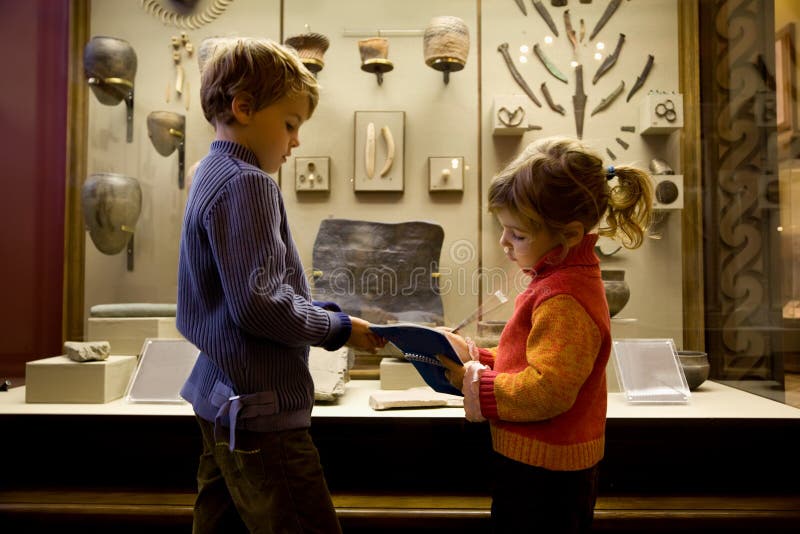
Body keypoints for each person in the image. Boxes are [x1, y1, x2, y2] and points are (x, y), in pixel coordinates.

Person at [176, 37, 385, 534]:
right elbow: (260, 305)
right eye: (290, 125)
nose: (295, 142)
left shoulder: (208, 171)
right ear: (244, 108)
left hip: (218, 396)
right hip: (259, 408)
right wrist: (336, 327)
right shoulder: (247, 182)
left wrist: (322, 309)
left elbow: (241, 295)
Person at [438, 136, 652, 533]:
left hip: (546, 475)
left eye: (517, 235)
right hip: (544, 466)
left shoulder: (563, 297)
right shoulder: (558, 281)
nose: (504, 243)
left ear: (569, 234)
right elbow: (530, 361)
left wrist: (471, 381)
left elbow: (547, 390)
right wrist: (473, 355)